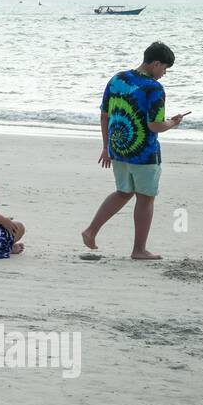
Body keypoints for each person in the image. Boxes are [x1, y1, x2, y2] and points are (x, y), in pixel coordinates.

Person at [81, 41, 187, 260]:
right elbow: (154, 126)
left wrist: (106, 147)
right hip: (144, 152)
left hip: (118, 147)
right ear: (155, 63)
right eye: (164, 68)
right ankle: (139, 250)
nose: (164, 74)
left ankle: (91, 230)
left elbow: (104, 115)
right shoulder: (154, 88)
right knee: (146, 198)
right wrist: (172, 123)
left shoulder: (117, 79)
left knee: (123, 192)